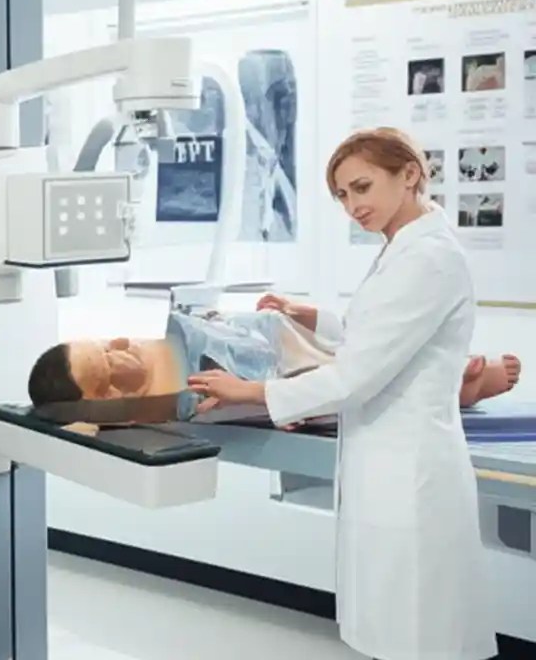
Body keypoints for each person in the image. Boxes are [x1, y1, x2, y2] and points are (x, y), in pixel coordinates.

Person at [187, 127, 498, 660]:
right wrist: (315, 317)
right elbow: (379, 329)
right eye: (343, 196)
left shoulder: (427, 258)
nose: (353, 206)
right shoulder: (407, 245)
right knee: (399, 626)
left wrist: (251, 391)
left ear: (409, 175)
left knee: (420, 631)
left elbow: (356, 376)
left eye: (362, 187)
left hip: (411, 468)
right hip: (387, 461)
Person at [27, 306, 521, 423]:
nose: (119, 346)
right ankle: (457, 387)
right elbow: (224, 402)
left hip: (262, 338)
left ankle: (443, 367)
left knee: (328, 338)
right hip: (271, 379)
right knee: (331, 382)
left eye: (104, 344)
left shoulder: (146, 346)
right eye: (109, 366)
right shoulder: (164, 400)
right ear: (109, 396)